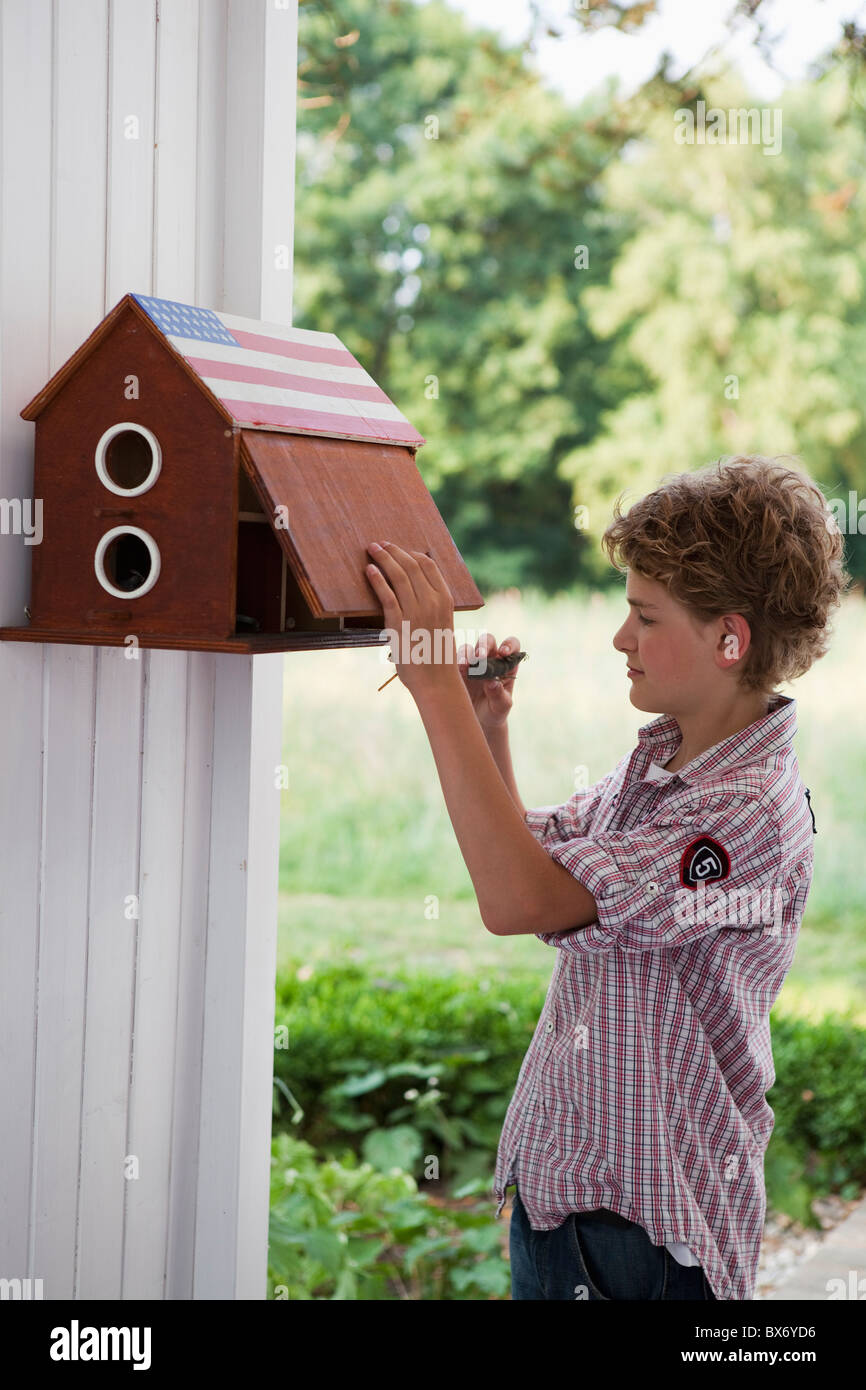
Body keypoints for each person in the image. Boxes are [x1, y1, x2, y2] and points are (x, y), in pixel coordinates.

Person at [363, 454, 851, 1301]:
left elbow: (516, 902)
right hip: (574, 1212)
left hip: (643, 1246)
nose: (621, 639)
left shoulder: (740, 812)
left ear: (730, 639)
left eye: (644, 616)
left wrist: (434, 685)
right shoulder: (665, 761)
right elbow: (529, 865)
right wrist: (485, 727)